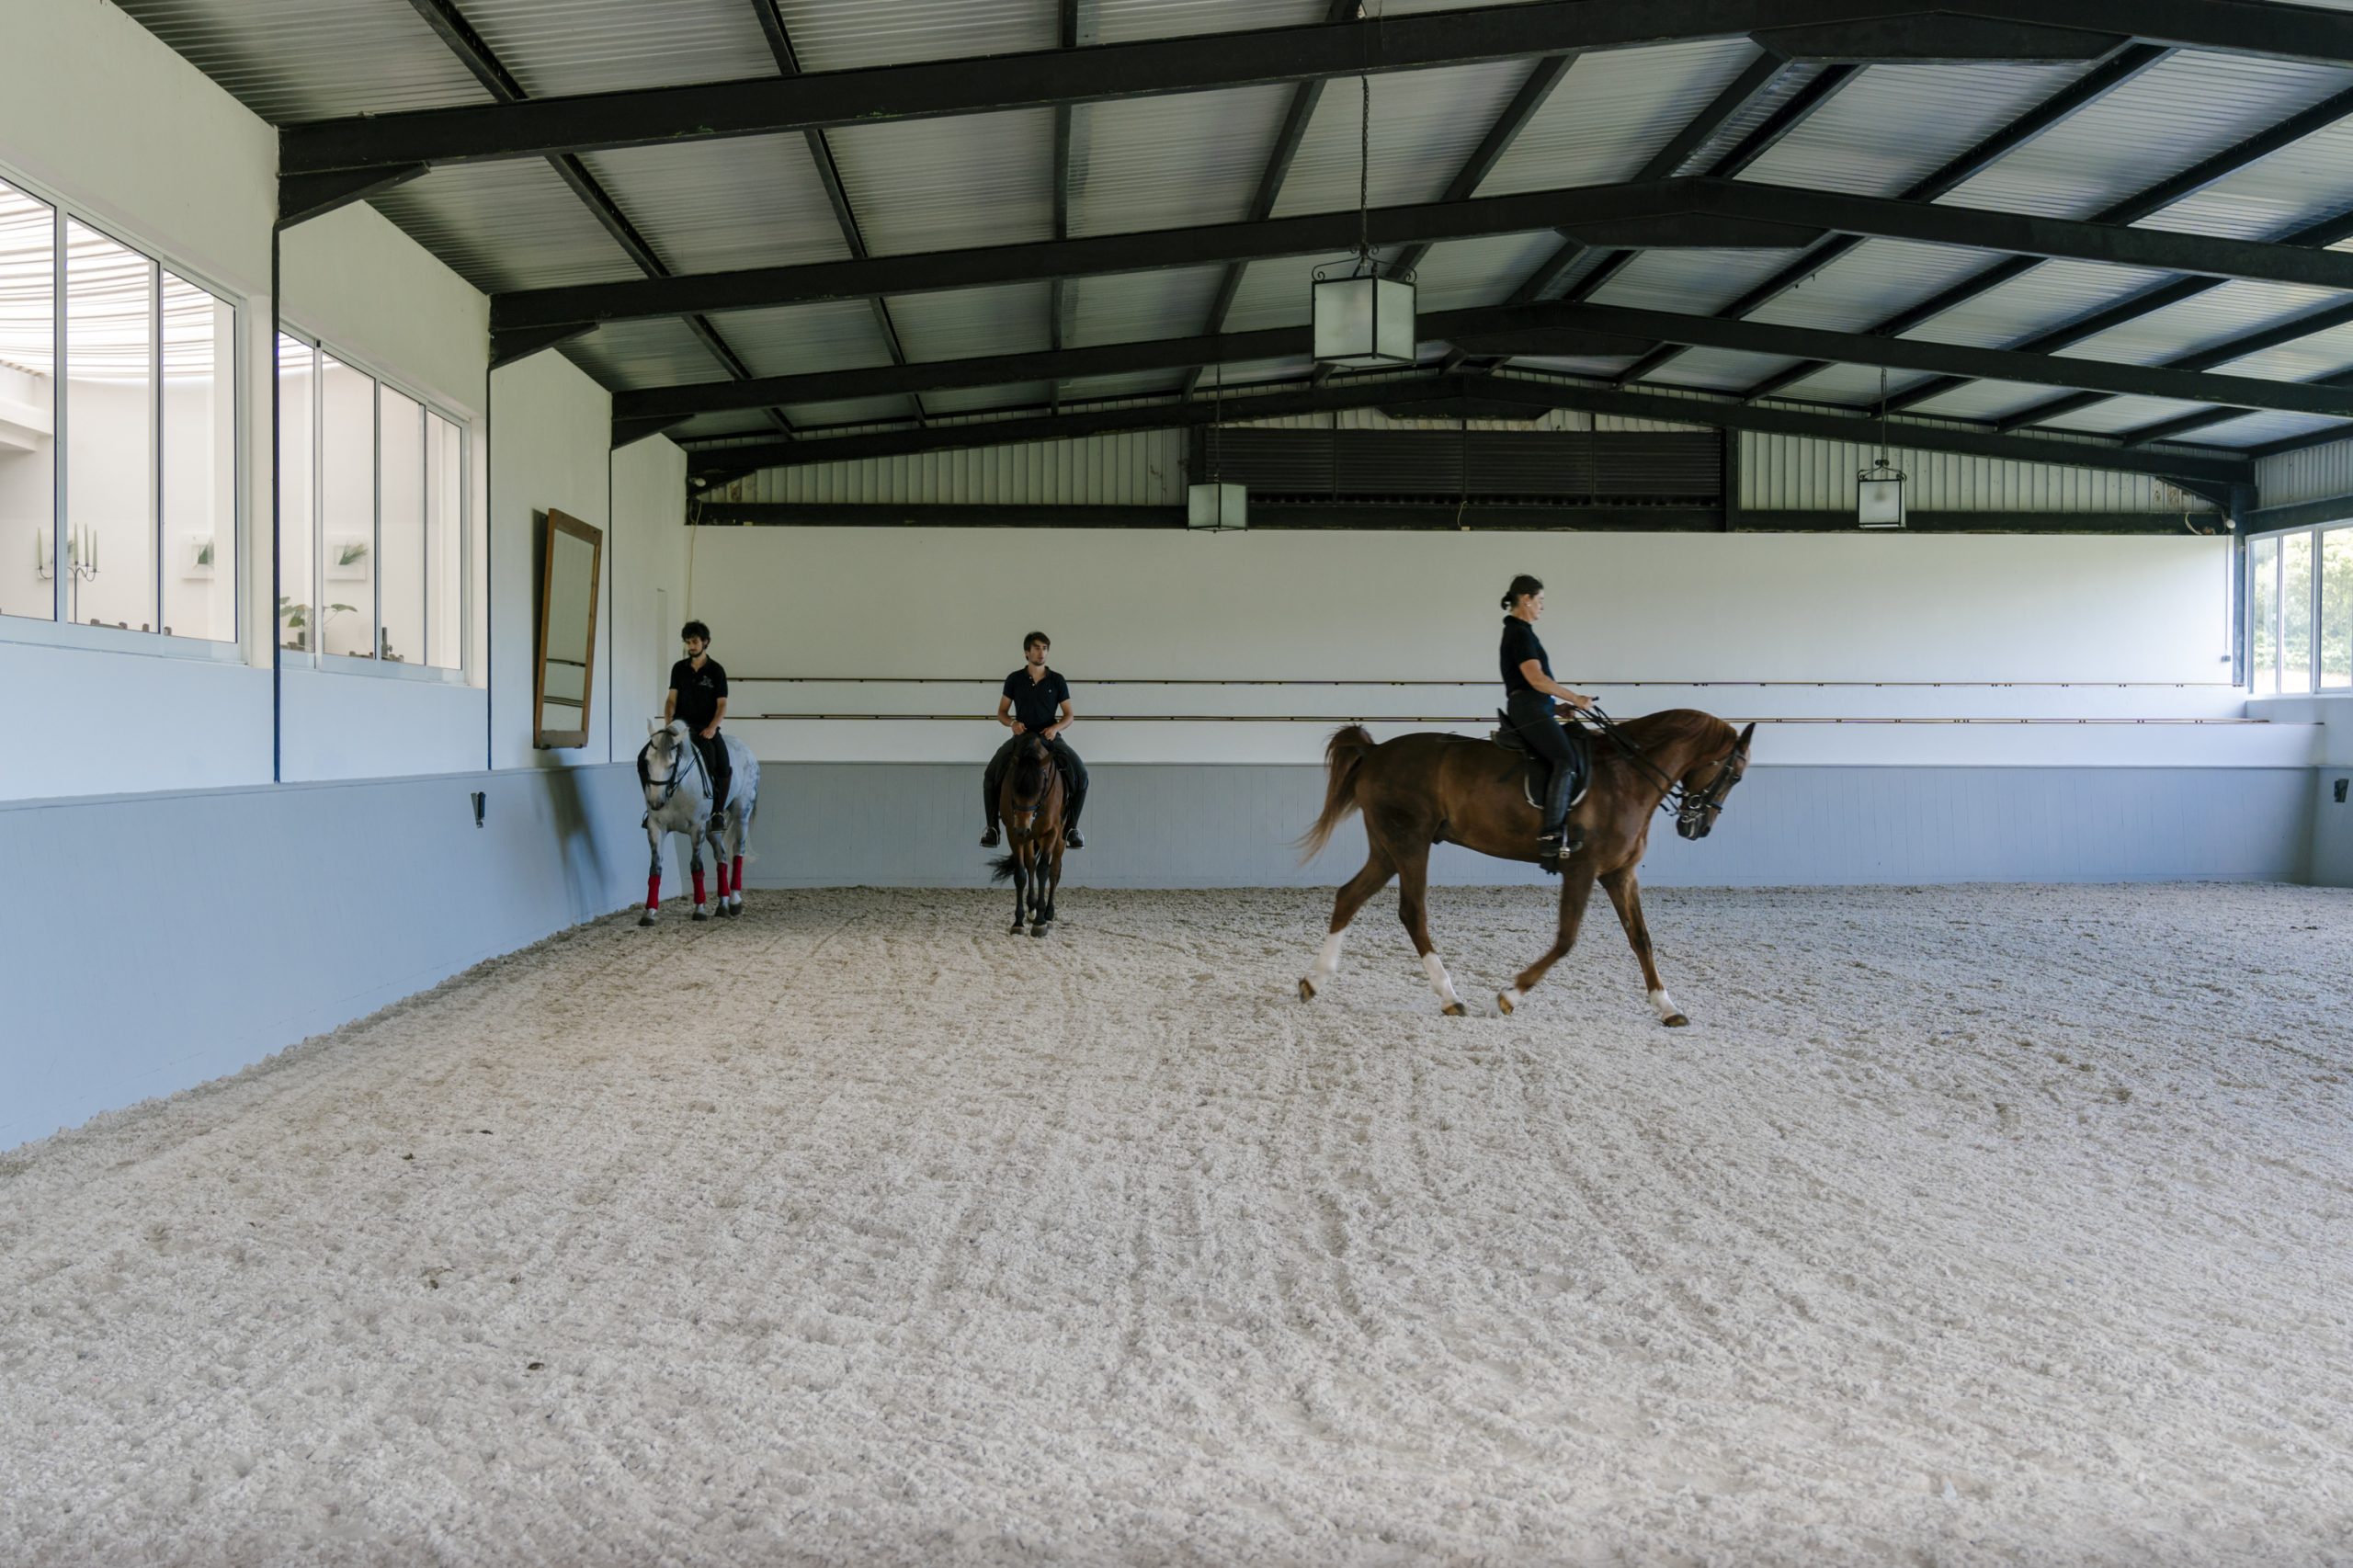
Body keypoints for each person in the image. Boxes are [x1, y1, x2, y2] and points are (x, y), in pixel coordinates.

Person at [1499, 574, 1593, 873]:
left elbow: (1534, 688)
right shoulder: (1520, 634)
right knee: (1565, 759)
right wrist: (1576, 698)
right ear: (1525, 599)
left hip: (1535, 707)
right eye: (1540, 601)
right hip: (1528, 707)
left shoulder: (1521, 632)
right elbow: (1536, 680)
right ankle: (1552, 833)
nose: (1542, 607)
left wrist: (1558, 706)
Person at [980, 631, 1088, 850]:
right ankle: (992, 829)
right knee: (991, 774)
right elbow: (1001, 712)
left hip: (1050, 737)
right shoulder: (1014, 679)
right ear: (1027, 653)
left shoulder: (1057, 680)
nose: (1042, 653)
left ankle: (1072, 828)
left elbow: (1069, 715)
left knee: (1082, 775)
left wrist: (1056, 727)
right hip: (1022, 737)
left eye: (1045, 648)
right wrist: (1012, 723)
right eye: (1037, 648)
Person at [665, 619, 731, 813]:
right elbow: (670, 700)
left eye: (694, 642)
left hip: (705, 728)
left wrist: (712, 727)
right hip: (680, 726)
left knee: (724, 765)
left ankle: (717, 812)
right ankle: (654, 808)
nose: (690, 646)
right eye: (687, 642)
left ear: (705, 642)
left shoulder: (716, 670)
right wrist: (669, 724)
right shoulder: (678, 668)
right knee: (646, 756)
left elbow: (722, 705)